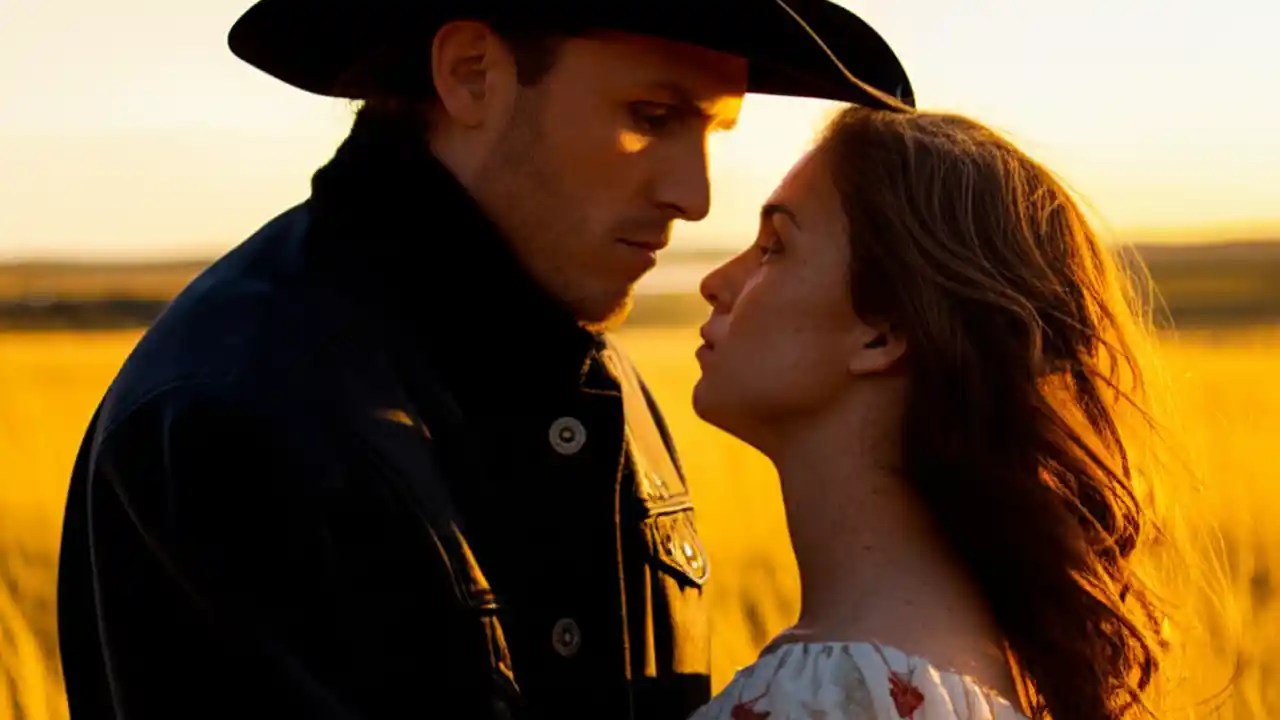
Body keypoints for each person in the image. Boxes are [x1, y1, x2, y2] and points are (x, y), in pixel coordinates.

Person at [54, 1, 914, 719]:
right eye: (650, 119)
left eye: (711, 133)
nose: (694, 195)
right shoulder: (234, 409)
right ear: (472, 73)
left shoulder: (599, 376)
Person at [687, 107, 1172, 720]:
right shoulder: (959, 683)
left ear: (881, 332)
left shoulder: (827, 702)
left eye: (774, 248)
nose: (715, 282)